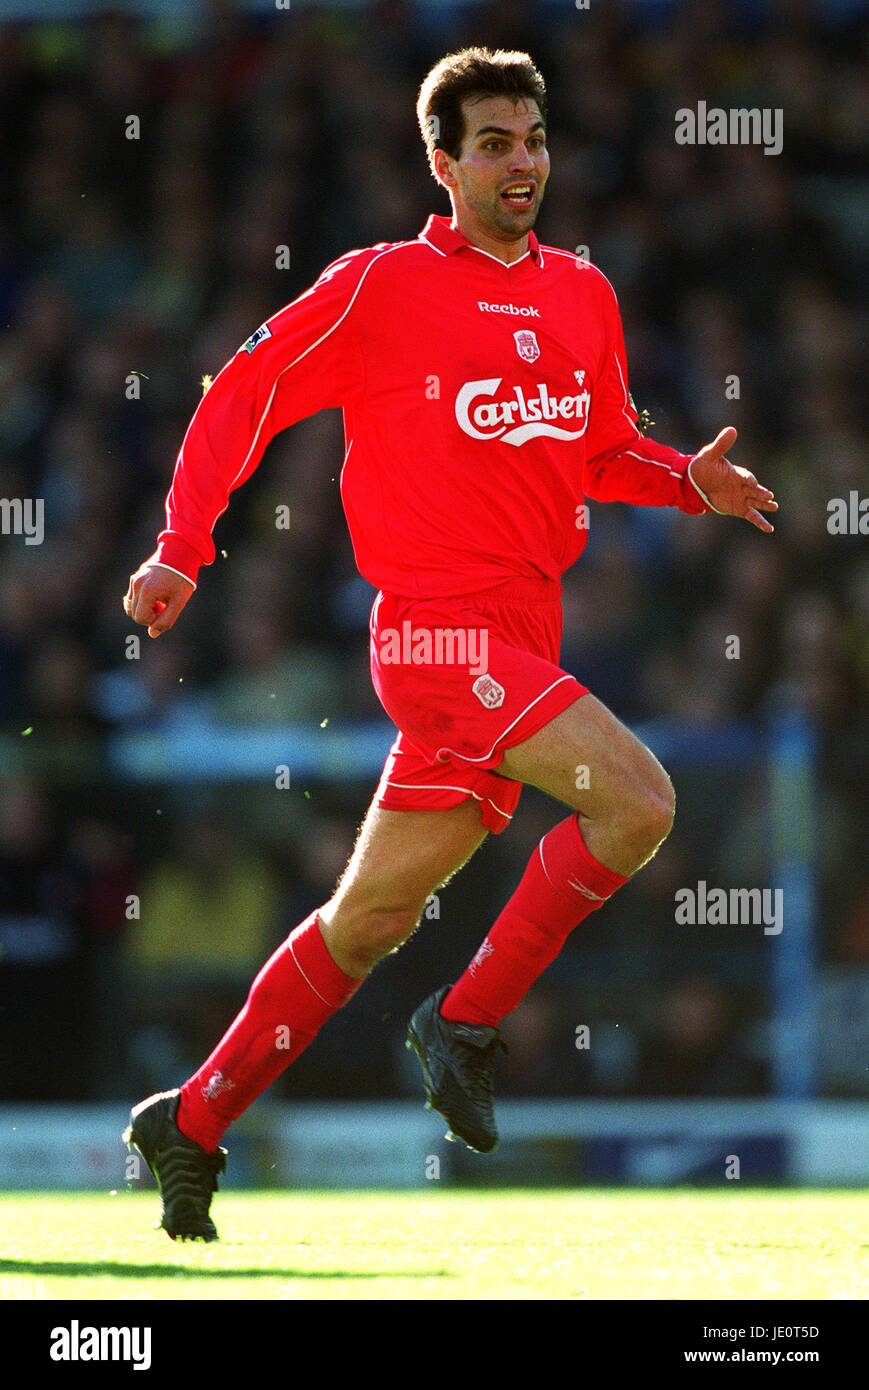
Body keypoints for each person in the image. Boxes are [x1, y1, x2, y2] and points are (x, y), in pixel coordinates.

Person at [122, 47, 777, 1241]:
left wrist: (686, 481)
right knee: (636, 803)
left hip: (521, 625)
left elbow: (593, 453)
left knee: (365, 921)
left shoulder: (584, 293)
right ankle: (466, 1020)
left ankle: (194, 1118)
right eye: (492, 143)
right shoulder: (381, 287)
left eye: (531, 138)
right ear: (443, 163)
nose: (521, 161)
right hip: (429, 629)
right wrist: (183, 543)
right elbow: (245, 389)